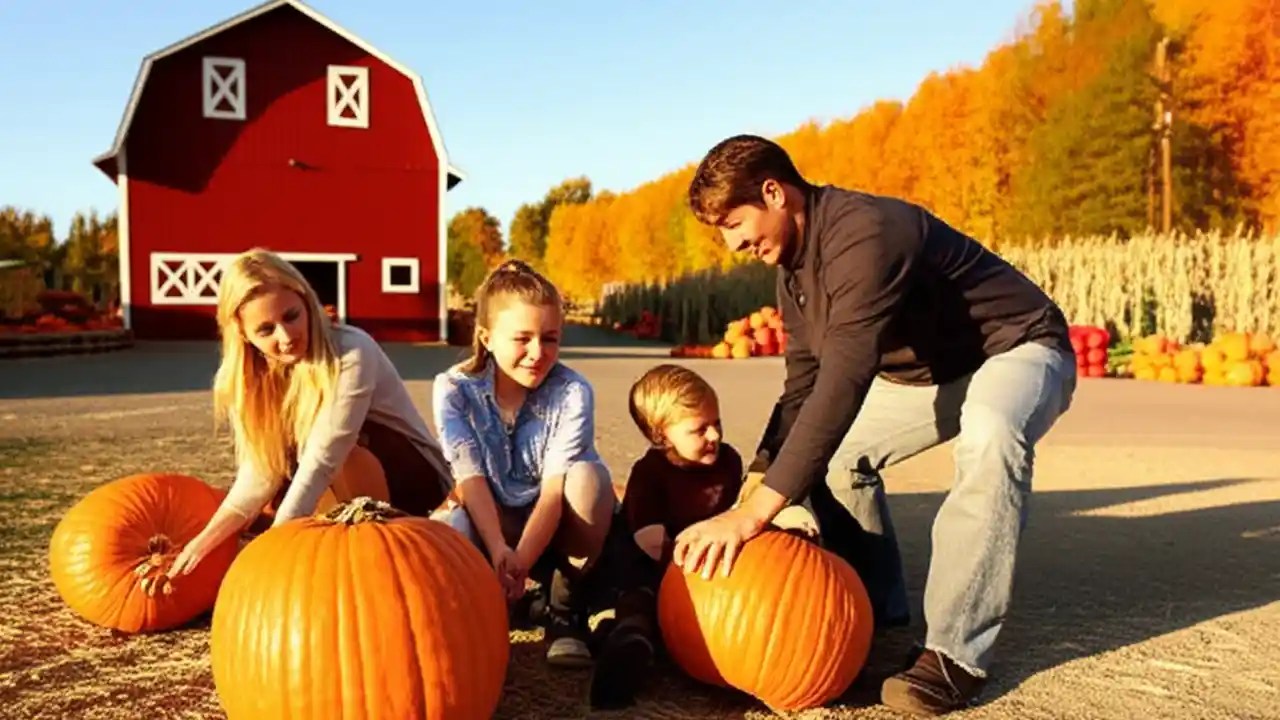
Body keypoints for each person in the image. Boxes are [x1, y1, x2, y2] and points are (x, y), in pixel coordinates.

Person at [671, 135, 1078, 716]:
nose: (732, 243)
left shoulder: (867, 233)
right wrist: (759, 475)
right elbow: (802, 389)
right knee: (834, 459)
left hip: (1019, 348)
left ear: (773, 192)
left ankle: (955, 655)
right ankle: (871, 613)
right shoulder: (793, 278)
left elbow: (843, 382)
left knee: (990, 430)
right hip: (934, 378)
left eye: (735, 223)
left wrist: (752, 515)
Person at [169, 248, 453, 575]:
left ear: (306, 301)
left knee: (345, 453)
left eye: (291, 316)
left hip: (412, 487)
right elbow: (261, 472)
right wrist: (204, 543)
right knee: (273, 491)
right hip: (330, 487)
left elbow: (325, 457)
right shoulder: (252, 379)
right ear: (243, 335)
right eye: (266, 330)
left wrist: (277, 542)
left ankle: (382, 561)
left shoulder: (351, 350)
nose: (286, 337)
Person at [589, 363, 817, 710]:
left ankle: (661, 637)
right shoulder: (649, 473)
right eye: (699, 429)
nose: (714, 436)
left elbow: (743, 509)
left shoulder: (727, 460)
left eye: (717, 424)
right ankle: (627, 642)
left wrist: (784, 522)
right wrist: (694, 577)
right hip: (657, 565)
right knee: (640, 602)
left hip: (709, 567)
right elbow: (650, 542)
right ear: (661, 435)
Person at [429, 259, 615, 669]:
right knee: (444, 531)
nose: (538, 353)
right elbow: (471, 478)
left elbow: (553, 491)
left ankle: (566, 608)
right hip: (490, 513)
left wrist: (521, 562)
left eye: (550, 338)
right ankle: (492, 603)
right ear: (487, 337)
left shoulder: (572, 392)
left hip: (558, 518)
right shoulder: (454, 390)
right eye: (522, 338)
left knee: (587, 479)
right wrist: (497, 547)